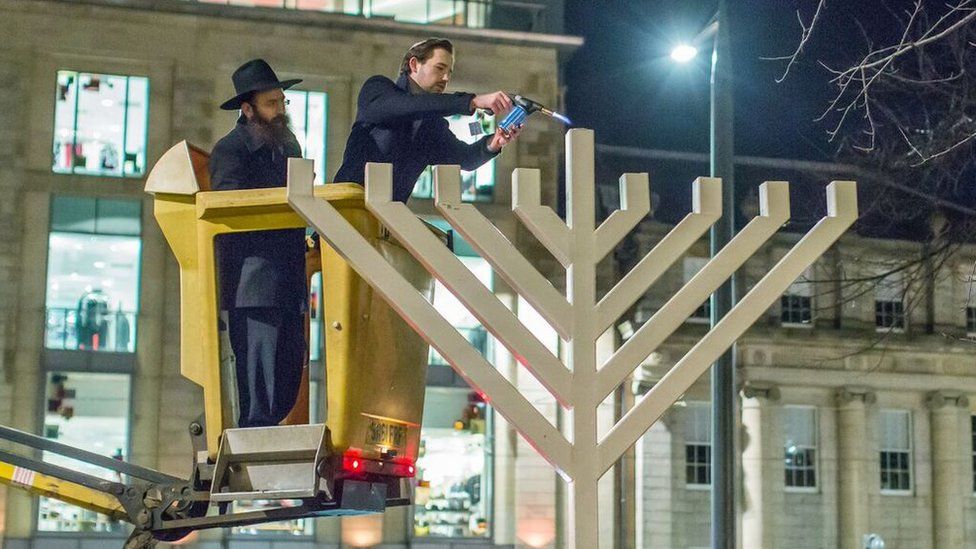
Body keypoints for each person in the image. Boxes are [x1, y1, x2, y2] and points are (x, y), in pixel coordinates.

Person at [209, 59, 306, 428]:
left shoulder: (289, 146)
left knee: (288, 372)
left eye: (282, 101)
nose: (280, 110)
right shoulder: (230, 150)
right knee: (259, 384)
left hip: (290, 278)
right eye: (271, 103)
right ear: (248, 109)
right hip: (254, 285)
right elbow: (228, 214)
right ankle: (255, 440)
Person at [334, 37, 522, 202]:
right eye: (440, 68)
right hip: (346, 208)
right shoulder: (378, 89)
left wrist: (494, 142)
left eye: (449, 72)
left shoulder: (431, 125)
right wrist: (472, 101)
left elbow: (465, 158)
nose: (446, 78)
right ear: (414, 65)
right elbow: (407, 106)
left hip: (387, 221)